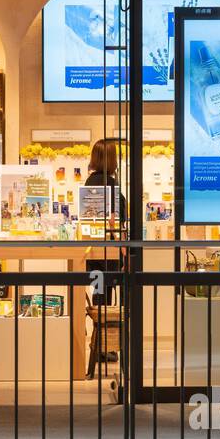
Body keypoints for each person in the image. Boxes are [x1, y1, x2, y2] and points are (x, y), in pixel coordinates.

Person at [83, 138, 127, 379]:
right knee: (107, 298)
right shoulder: (110, 185)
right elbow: (117, 218)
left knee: (99, 293)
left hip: (94, 252)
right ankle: (105, 346)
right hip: (109, 251)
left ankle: (102, 345)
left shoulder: (90, 183)